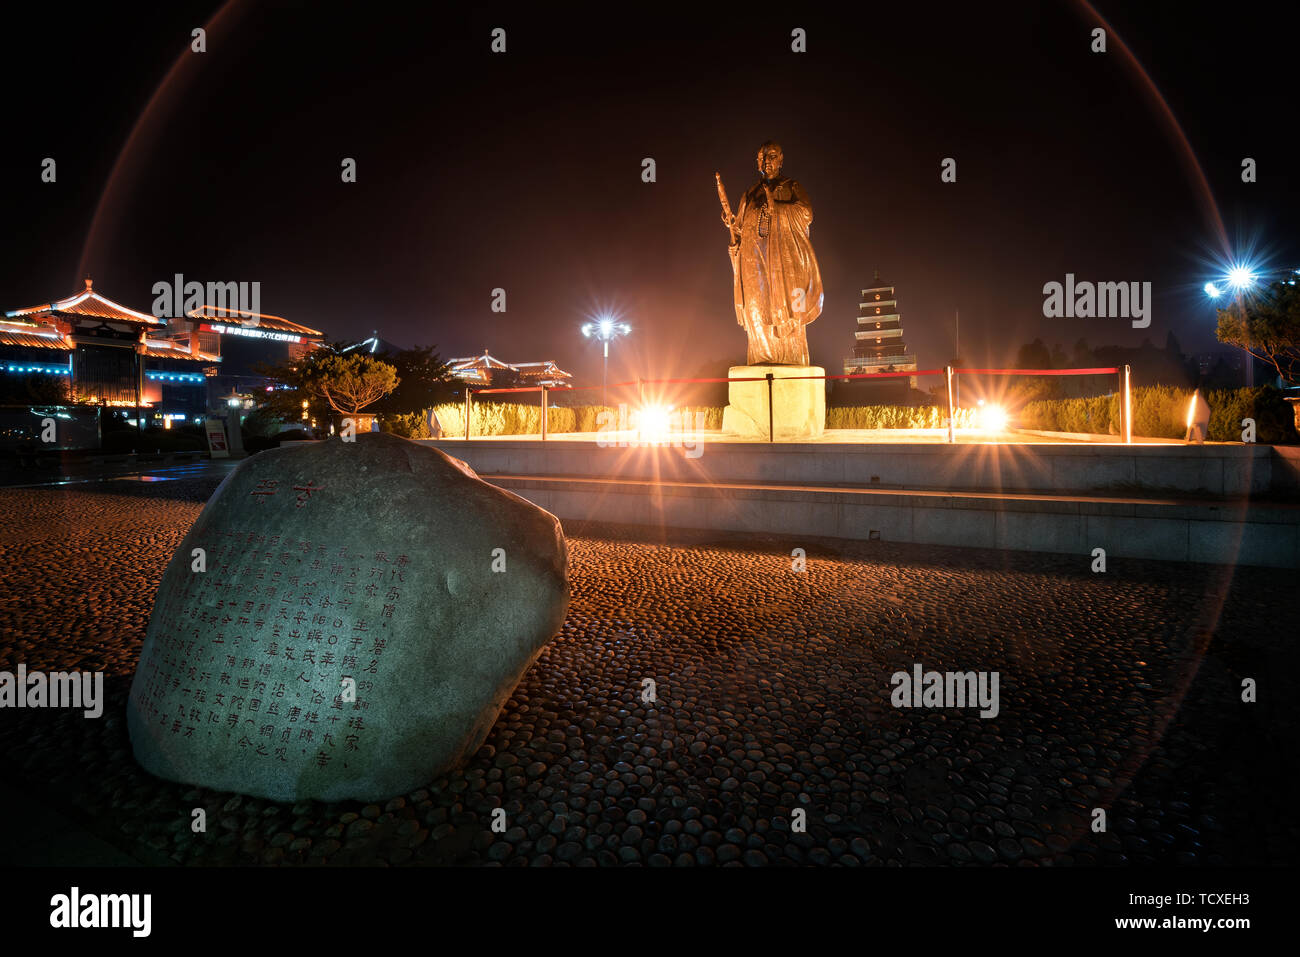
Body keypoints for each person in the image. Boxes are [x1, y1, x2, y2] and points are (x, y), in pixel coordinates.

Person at [724, 140, 823, 365]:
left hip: (781, 262)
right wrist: (733, 226)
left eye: (770, 156)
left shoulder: (790, 186)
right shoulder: (749, 194)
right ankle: (760, 359)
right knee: (756, 314)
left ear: (780, 160)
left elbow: (806, 214)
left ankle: (788, 359)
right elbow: (739, 227)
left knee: (784, 312)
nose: (765, 161)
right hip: (752, 264)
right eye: (761, 157)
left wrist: (776, 209)